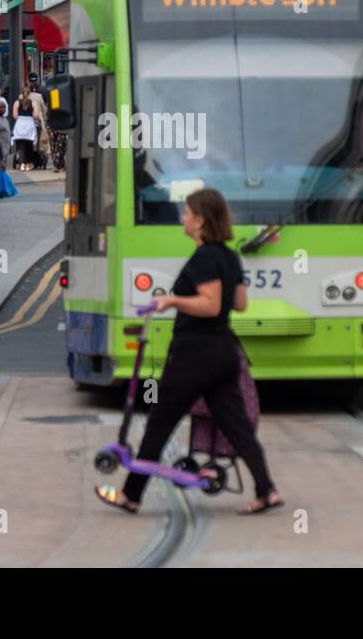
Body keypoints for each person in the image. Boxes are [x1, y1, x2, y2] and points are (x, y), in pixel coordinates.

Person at [94, 188, 283, 516]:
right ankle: (267, 491)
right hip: (224, 352)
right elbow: (239, 303)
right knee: (236, 426)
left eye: (186, 213)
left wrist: (171, 300)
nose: (182, 218)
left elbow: (210, 306)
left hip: (195, 354)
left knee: (160, 423)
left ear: (200, 220)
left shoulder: (205, 258)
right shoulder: (228, 256)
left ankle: (131, 496)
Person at [12, 91, 40, 170]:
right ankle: (28, 163)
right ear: (29, 94)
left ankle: (22, 164)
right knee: (29, 144)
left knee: (20, 144)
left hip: (20, 125)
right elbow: (36, 115)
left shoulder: (17, 103)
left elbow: (15, 116)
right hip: (30, 125)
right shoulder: (33, 103)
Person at [0, 97, 13, 173]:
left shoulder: (4, 119)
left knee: (3, 169)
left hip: (5, 148)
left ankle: (1, 183)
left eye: (4, 107)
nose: (3, 109)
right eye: (0, 107)